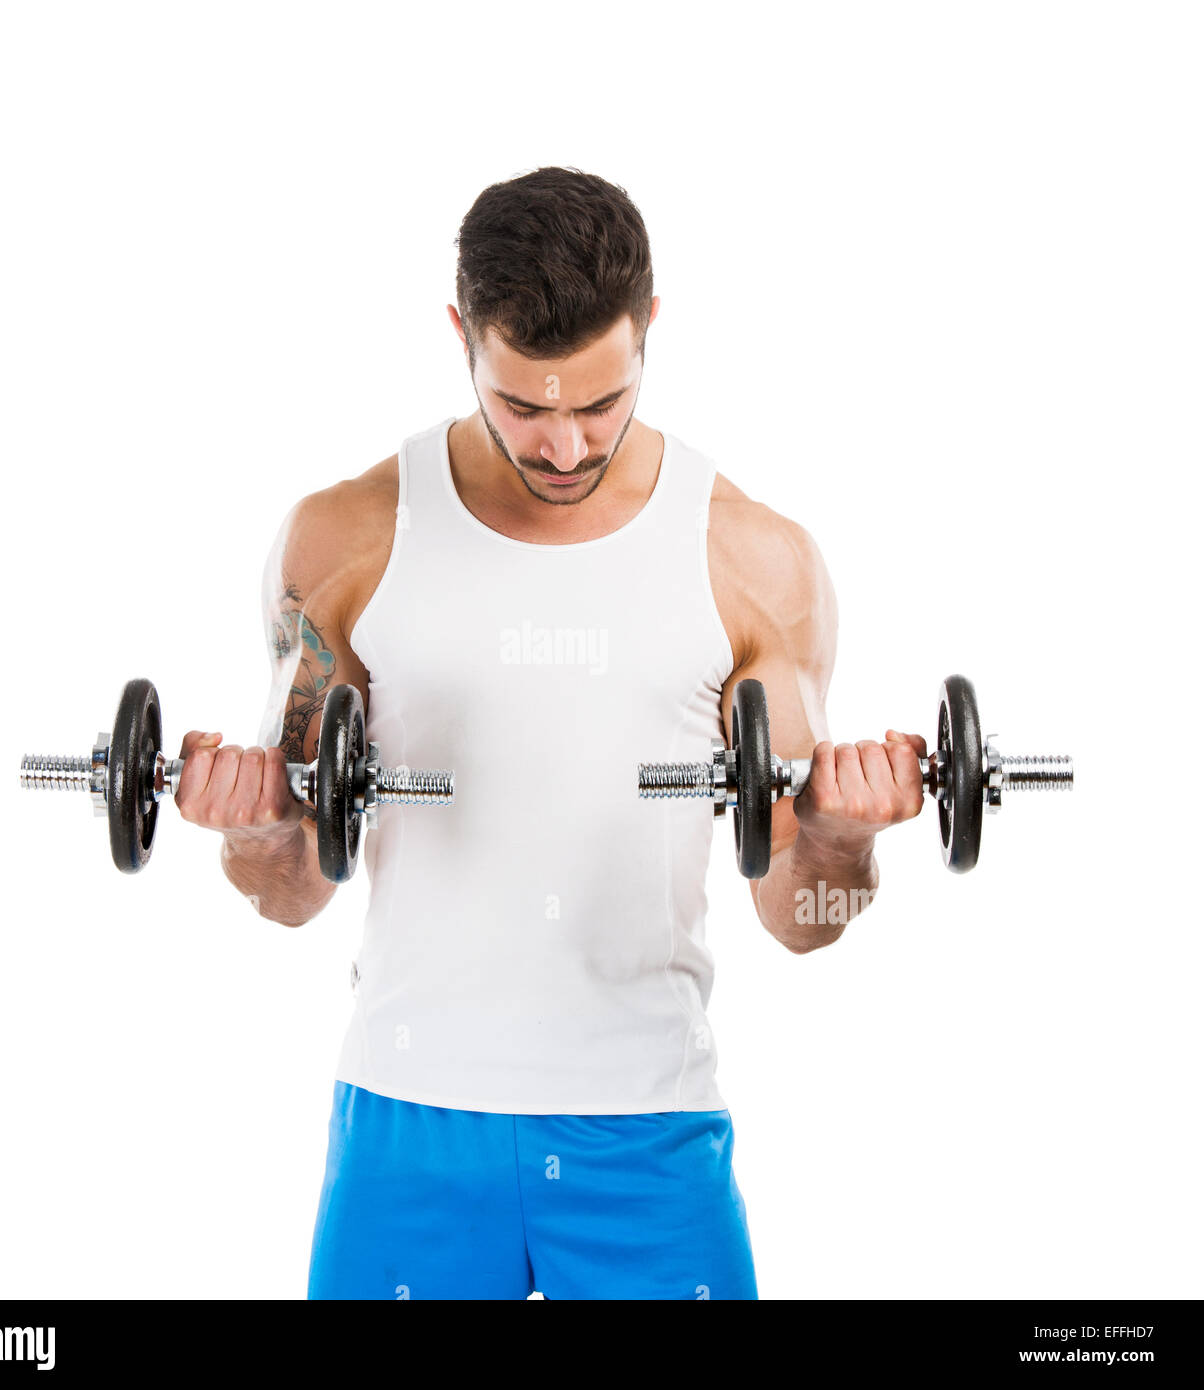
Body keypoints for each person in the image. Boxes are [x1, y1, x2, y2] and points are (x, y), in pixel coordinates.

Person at [173, 167, 927, 1300]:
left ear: (649, 334)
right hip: (406, 1117)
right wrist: (246, 823)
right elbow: (290, 887)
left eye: (597, 405)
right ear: (461, 339)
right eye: (523, 405)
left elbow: (799, 919)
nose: (565, 447)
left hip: (648, 1127)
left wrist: (841, 833)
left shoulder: (756, 562)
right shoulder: (344, 540)